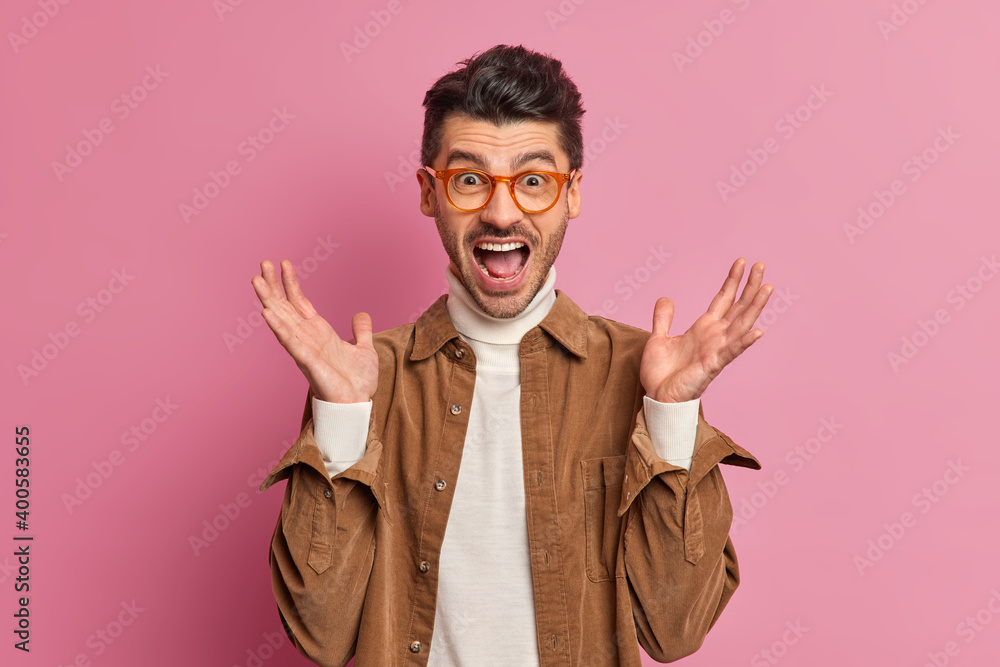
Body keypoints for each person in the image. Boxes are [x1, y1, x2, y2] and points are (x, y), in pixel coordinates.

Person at [253, 44, 770, 667]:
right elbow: (321, 635)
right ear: (428, 191)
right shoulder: (362, 378)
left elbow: (674, 630)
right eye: (470, 179)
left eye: (533, 181)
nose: (502, 212)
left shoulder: (645, 374)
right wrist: (341, 421)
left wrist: (671, 416)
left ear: (571, 193)